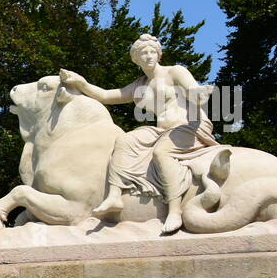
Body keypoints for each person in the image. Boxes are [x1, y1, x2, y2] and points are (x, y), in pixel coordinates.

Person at [59, 34, 217, 233]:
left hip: (191, 125)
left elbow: (193, 89)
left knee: (161, 153)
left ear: (159, 54)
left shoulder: (175, 72)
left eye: (152, 52)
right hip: (163, 130)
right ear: (136, 59)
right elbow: (108, 96)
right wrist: (81, 83)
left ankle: (175, 210)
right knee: (126, 140)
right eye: (144, 53)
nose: (149, 56)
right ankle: (115, 196)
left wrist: (200, 94)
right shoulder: (140, 85)